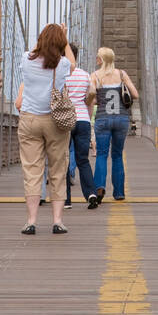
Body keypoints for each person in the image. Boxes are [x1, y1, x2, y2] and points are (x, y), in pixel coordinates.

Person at [14, 22, 75, 235]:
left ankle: (31, 221)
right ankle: (57, 221)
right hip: (55, 121)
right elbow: (74, 63)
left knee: (32, 170)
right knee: (58, 170)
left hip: (30, 119)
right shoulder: (63, 65)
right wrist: (63, 39)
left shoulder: (26, 59)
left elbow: (33, 52)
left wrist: (44, 41)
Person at [92, 48, 137, 203]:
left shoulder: (95, 76)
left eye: (98, 56)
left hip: (103, 119)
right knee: (117, 155)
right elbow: (135, 95)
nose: (96, 58)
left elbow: (91, 99)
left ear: (102, 59)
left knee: (102, 154)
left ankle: (99, 187)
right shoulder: (122, 74)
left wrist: (99, 99)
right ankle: (119, 193)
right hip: (121, 119)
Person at [63, 43, 99, 210]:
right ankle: (91, 193)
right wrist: (88, 117)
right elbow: (90, 99)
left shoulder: (60, 74)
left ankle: (66, 200)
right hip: (83, 120)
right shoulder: (85, 75)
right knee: (83, 160)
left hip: (65, 120)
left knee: (63, 161)